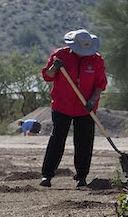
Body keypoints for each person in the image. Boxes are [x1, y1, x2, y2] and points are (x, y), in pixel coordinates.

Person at [39, 29, 107, 188]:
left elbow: (100, 84)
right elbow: (47, 76)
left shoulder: (96, 60)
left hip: (86, 108)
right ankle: (47, 175)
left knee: (84, 142)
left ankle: (81, 177)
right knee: (57, 139)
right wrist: (54, 68)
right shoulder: (60, 55)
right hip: (62, 105)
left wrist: (92, 100)